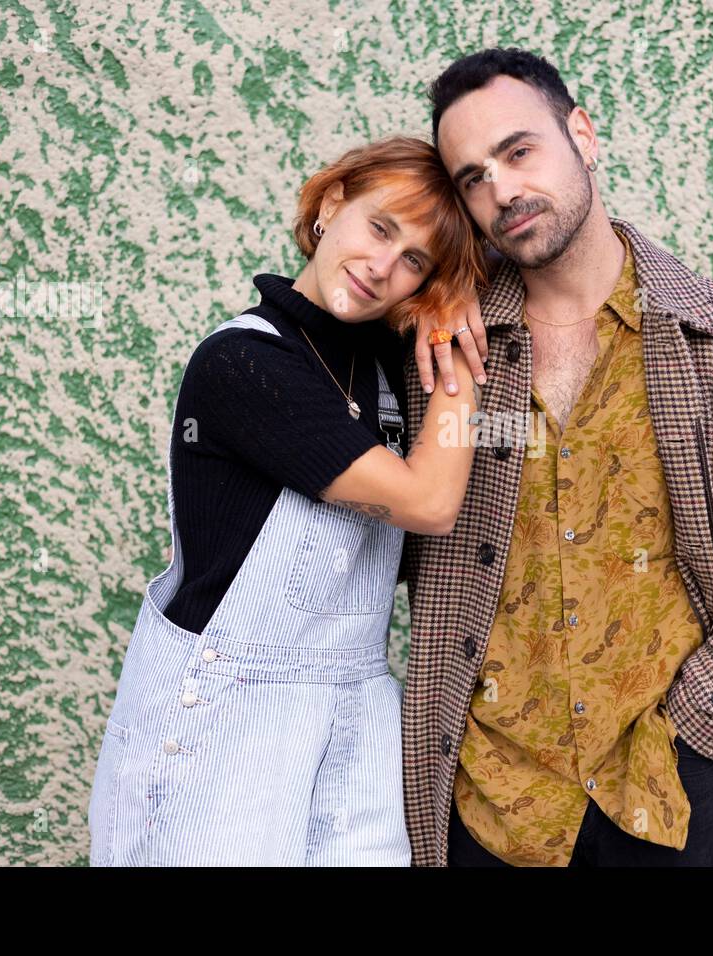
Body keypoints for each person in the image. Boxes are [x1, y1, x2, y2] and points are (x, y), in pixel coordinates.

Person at [398, 48, 713, 866]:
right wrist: (437, 287)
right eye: (472, 177)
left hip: (676, 788)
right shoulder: (445, 351)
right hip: (491, 802)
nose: (501, 190)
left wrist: (699, 721)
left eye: (518, 151)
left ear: (582, 133)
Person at [86, 135, 490, 866]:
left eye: (415, 263)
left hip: (359, 710)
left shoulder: (386, 374)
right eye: (379, 227)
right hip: (226, 716)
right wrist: (459, 353)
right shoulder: (246, 363)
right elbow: (429, 502)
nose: (381, 268)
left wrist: (447, 309)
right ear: (332, 203)